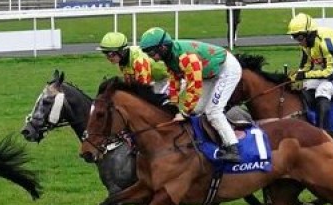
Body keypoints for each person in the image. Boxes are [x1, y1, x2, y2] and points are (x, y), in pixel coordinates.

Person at [138, 26, 241, 161]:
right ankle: (207, 139)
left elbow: (194, 87)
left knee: (213, 111)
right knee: (197, 109)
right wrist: (172, 102)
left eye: (151, 53)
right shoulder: (169, 57)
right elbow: (174, 79)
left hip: (226, 69)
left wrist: (184, 112)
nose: (151, 58)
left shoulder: (186, 57)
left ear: (162, 48)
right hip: (208, 73)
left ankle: (233, 148)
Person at [98, 31, 170, 97]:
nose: (108, 57)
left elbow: (144, 88)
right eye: (105, 53)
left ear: (122, 51)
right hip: (154, 80)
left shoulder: (139, 61)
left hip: (167, 79)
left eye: (111, 54)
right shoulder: (123, 60)